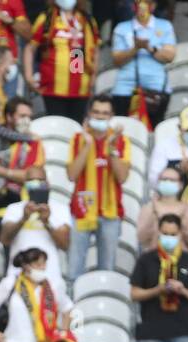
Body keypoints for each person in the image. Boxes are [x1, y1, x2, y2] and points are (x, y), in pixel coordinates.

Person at [67, 95, 131, 278]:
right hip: (81, 211)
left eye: (105, 113)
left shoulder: (121, 141)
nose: (100, 117)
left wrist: (111, 149)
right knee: (74, 271)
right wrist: (88, 145)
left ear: (111, 116)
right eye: (96, 112)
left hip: (110, 213)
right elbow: (72, 174)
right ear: (89, 113)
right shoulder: (78, 139)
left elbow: (122, 177)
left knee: (107, 270)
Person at [129, 213, 188, 342]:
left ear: (180, 234)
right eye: (165, 233)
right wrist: (158, 290)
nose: (168, 237)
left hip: (183, 331)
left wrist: (183, 291)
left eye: (173, 234)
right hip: (151, 330)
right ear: (158, 232)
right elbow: (134, 293)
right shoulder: (146, 259)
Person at [25, 0, 100, 122]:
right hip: (52, 88)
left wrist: (94, 75)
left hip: (81, 88)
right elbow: (30, 47)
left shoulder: (86, 19)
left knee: (76, 127)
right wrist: (28, 76)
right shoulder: (47, 18)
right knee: (56, 125)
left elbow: (95, 49)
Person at [110, 0, 176, 129]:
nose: (142, 7)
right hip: (125, 86)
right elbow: (116, 60)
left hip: (155, 87)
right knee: (123, 127)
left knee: (154, 128)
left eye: (147, 3)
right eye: (139, 3)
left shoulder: (165, 26)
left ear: (153, 6)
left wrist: (149, 48)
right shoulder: (122, 28)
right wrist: (135, 49)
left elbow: (170, 56)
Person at [0, 176, 74, 283]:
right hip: (18, 274)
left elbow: (65, 245)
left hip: (50, 275)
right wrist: (23, 219)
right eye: (32, 182)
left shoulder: (61, 208)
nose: (37, 186)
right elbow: (4, 240)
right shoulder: (14, 208)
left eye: (41, 182)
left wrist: (46, 222)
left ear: (47, 183)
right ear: (25, 185)